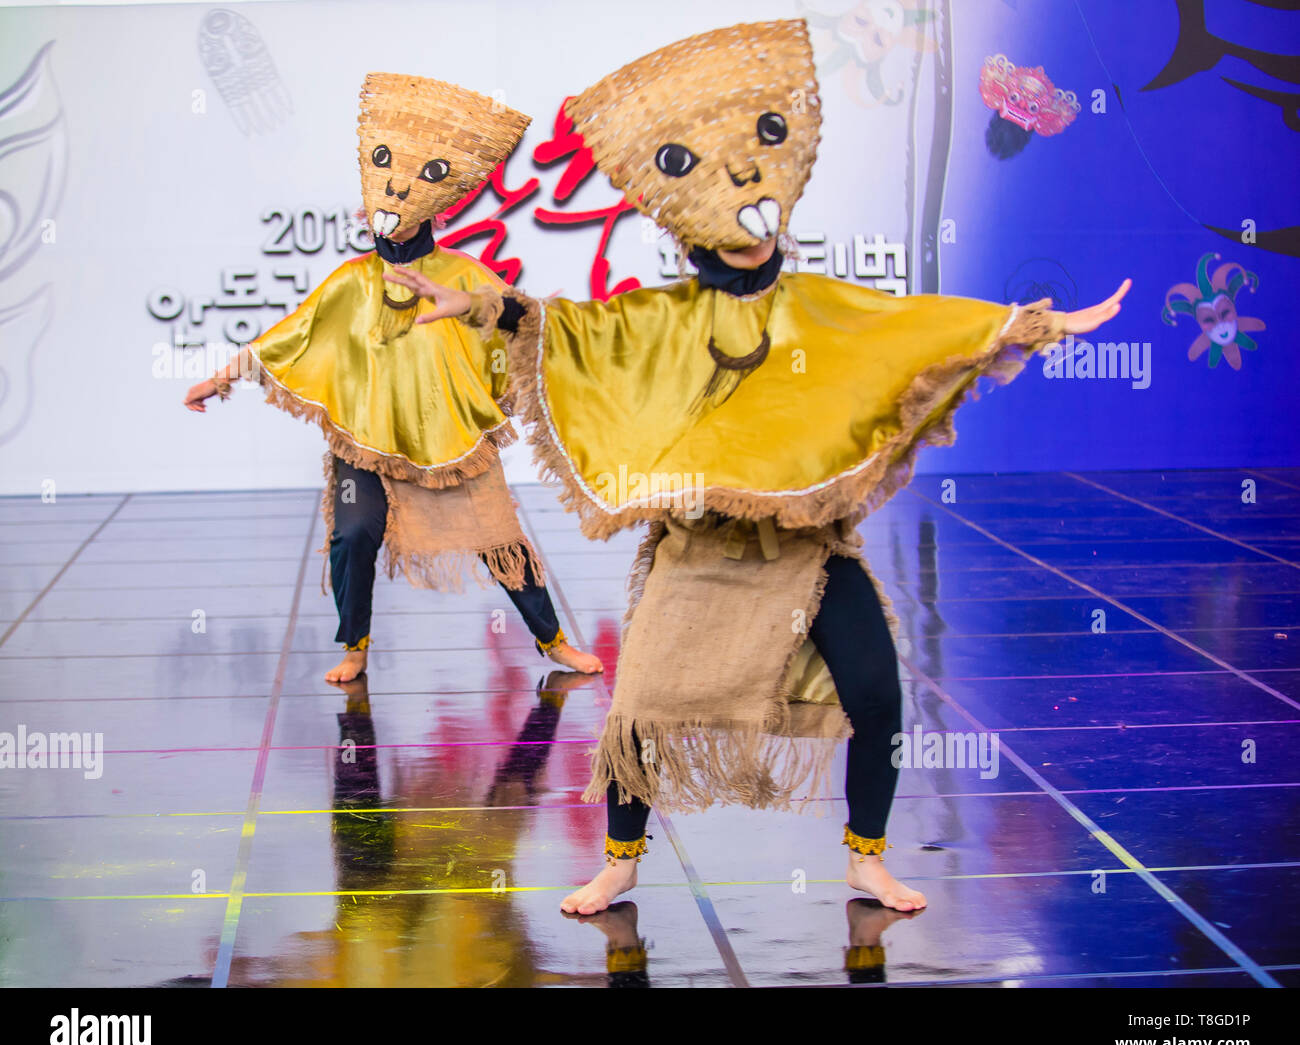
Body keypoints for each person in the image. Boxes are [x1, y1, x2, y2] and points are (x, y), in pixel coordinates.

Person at [385, 19, 1128, 914]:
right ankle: (621, 861)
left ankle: (866, 858)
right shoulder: (656, 321)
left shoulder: (819, 307)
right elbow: (564, 331)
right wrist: (478, 303)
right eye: (725, 226)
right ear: (693, 237)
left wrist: (1036, 323)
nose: (746, 232)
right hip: (698, 552)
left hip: (808, 554)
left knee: (877, 693)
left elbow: (917, 328)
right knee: (639, 715)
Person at [184, 72, 601, 683]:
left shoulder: (462, 274)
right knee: (352, 533)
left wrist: (548, 335)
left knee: (499, 536)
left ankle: (554, 640)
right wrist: (220, 378)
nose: (394, 204)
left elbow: (516, 329)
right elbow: (289, 338)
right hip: (367, 439)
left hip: (451, 438)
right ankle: (354, 645)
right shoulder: (350, 283)